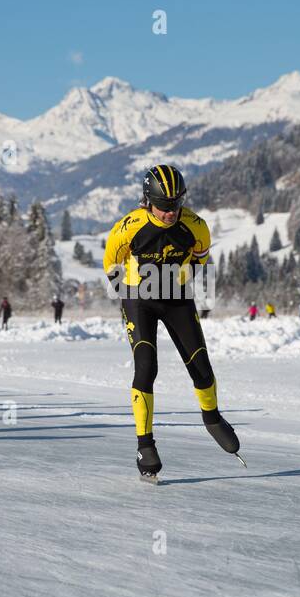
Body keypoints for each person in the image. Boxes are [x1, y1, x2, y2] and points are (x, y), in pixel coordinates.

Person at [103, 164, 241, 482]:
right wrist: (124, 293)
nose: (170, 213)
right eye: (164, 206)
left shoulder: (196, 226)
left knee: (201, 367)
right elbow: (111, 261)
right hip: (139, 299)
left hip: (176, 297)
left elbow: (200, 259)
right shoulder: (128, 227)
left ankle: (212, 417)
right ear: (148, 201)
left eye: (176, 204)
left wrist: (181, 281)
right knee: (146, 367)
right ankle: (145, 446)